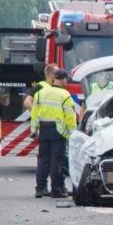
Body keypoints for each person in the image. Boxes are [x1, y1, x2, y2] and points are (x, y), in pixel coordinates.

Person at [30, 65, 76, 198]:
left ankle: (40, 188)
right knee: (57, 161)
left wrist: (34, 130)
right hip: (58, 131)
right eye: (66, 80)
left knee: (43, 160)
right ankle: (56, 190)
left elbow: (35, 113)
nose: (67, 82)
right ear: (62, 80)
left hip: (44, 130)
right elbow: (70, 116)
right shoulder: (65, 95)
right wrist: (72, 133)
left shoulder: (41, 93)